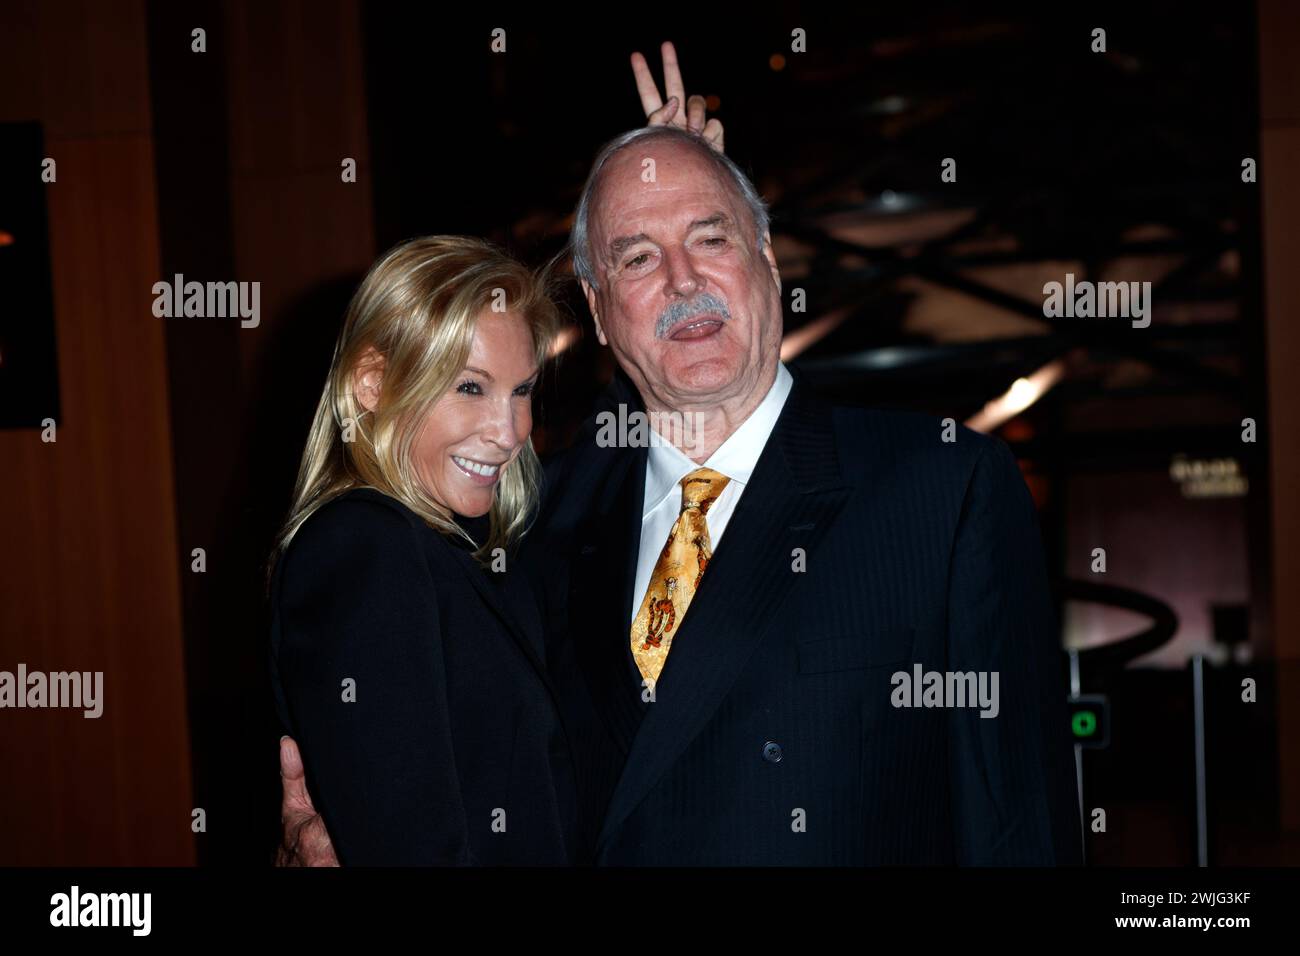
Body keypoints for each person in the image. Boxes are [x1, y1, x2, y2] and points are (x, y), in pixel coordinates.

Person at [279, 41, 1082, 866]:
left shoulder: (941, 490)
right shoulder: (533, 527)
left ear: (768, 261)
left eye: (712, 238)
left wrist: (677, 174)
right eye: (637, 258)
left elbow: (1016, 820)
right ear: (597, 312)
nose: (683, 279)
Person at [269, 235, 576, 865]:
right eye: (470, 387)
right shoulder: (364, 546)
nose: (510, 432)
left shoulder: (463, 553)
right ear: (374, 382)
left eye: (521, 391)